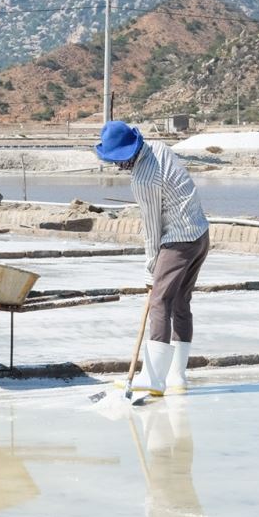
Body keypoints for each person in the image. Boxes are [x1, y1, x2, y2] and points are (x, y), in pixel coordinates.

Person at [94, 120, 210, 395]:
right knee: (181, 303)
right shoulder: (158, 147)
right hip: (201, 234)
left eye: (121, 160)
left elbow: (152, 228)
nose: (119, 166)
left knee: (159, 300)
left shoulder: (143, 180)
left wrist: (150, 269)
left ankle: (153, 379)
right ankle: (176, 378)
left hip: (178, 240)